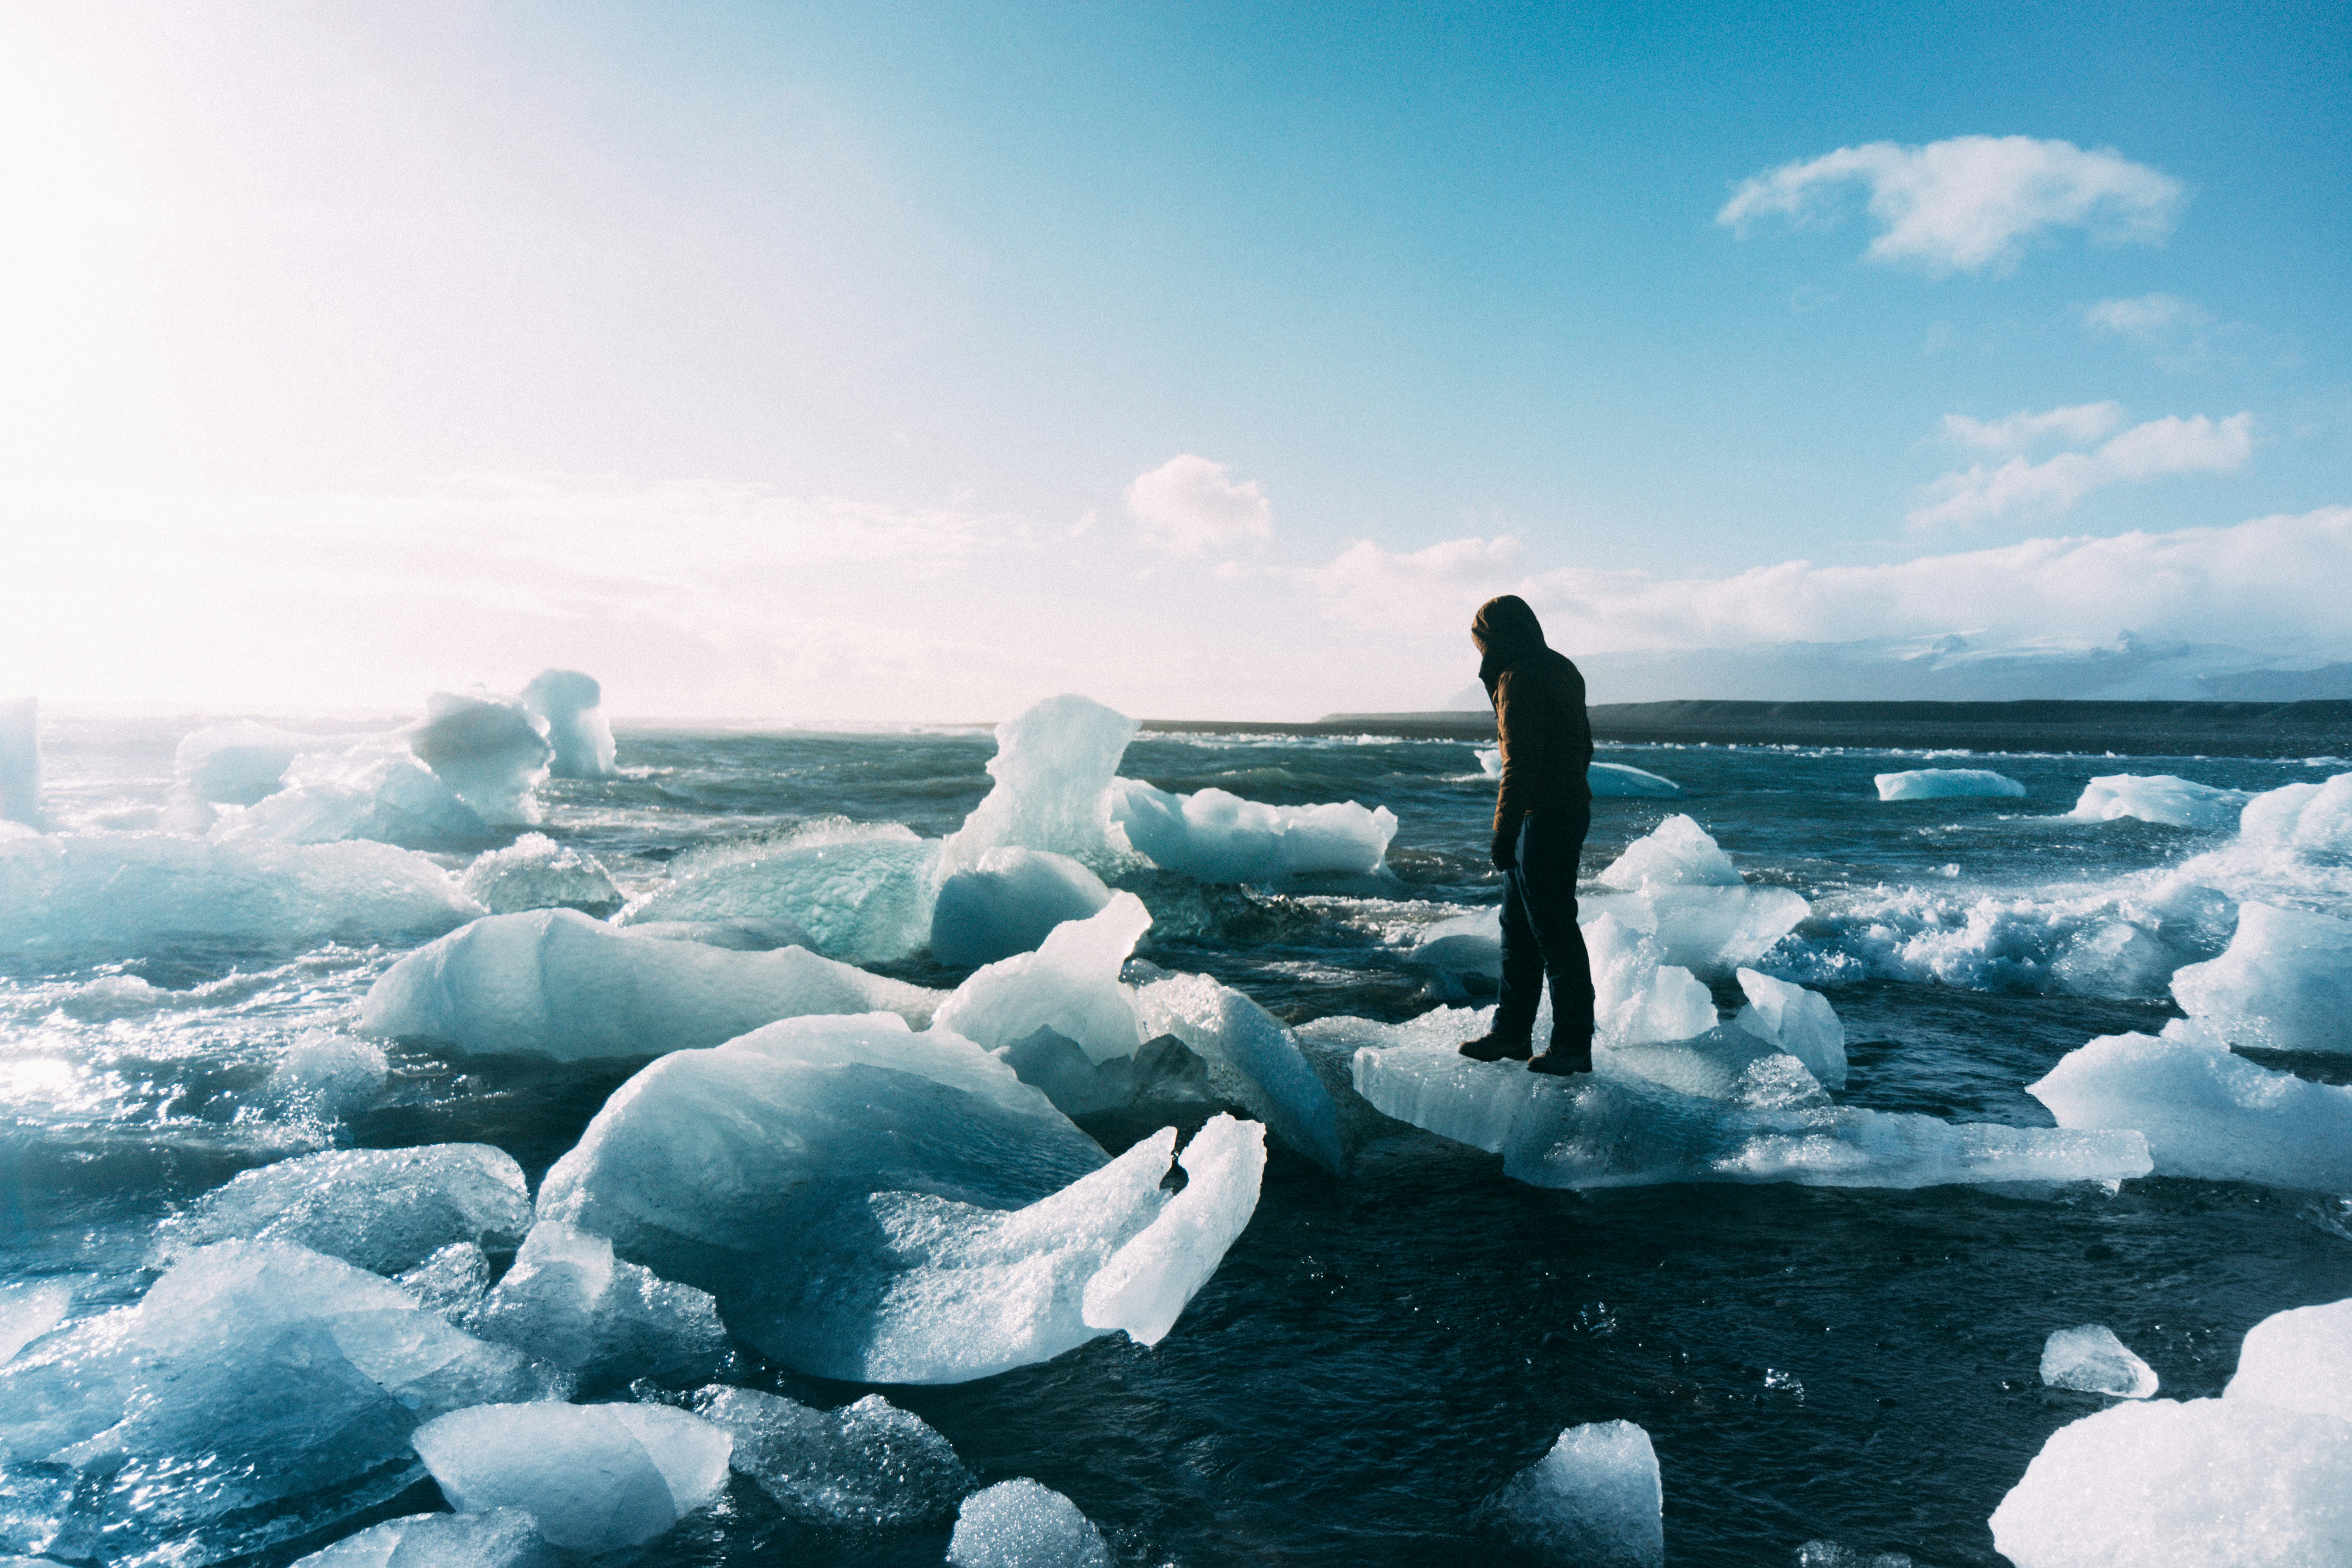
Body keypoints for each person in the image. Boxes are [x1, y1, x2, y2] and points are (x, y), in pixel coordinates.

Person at [1458, 595, 1596, 1074]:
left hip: (1544, 818)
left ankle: (1571, 1046)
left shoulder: (1517, 677)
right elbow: (1586, 744)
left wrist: (1503, 831)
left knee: (1552, 932)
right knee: (1518, 928)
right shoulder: (1561, 667)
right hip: (1565, 810)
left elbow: (1518, 764)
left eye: (1481, 642)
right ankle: (1511, 1033)